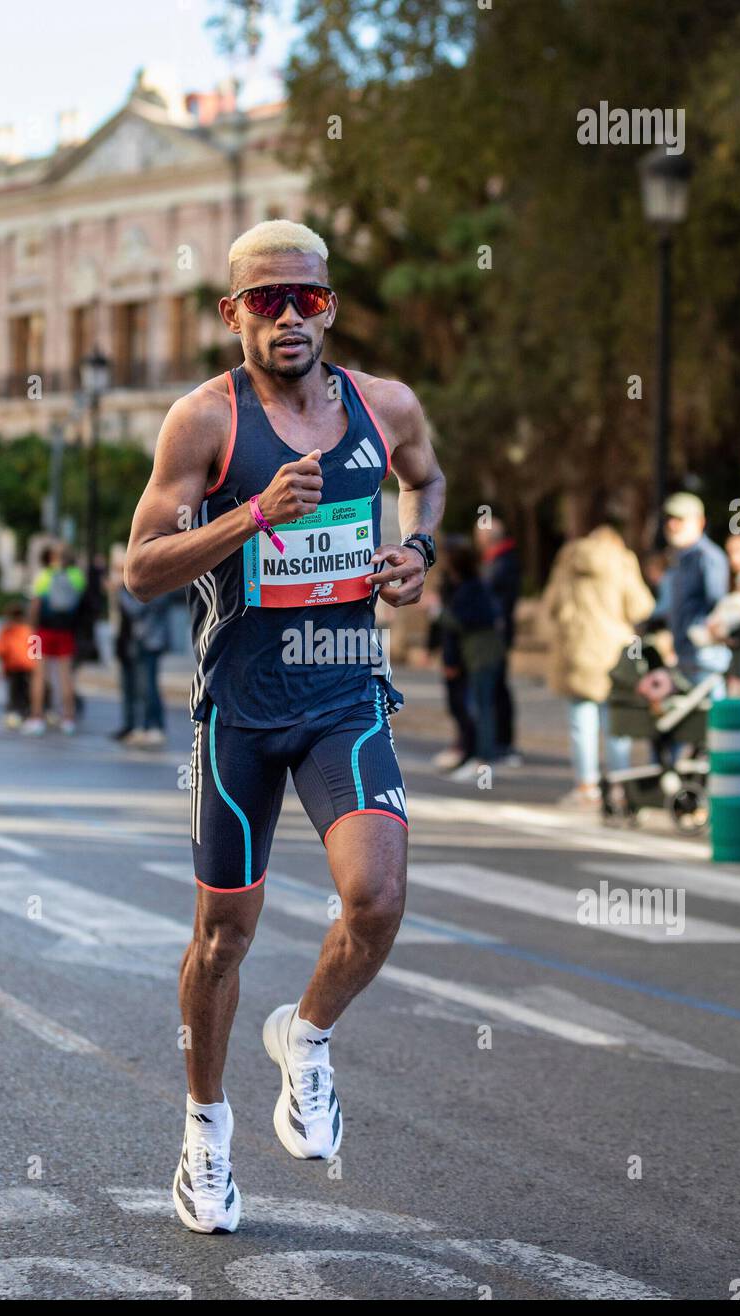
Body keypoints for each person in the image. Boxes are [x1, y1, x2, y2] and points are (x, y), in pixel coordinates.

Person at [125, 219, 445, 1235]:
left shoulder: (382, 405)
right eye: (266, 300)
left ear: (330, 306)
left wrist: (418, 548)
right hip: (240, 714)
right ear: (233, 314)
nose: (289, 316)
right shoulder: (203, 423)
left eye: (305, 297)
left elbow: (426, 479)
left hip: (345, 693)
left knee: (379, 895)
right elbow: (139, 567)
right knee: (222, 937)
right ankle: (204, 1132)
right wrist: (249, 515)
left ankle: (304, 1037)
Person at [541, 524, 655, 806]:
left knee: (582, 722)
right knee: (616, 723)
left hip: (576, 651)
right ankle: (619, 785)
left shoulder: (567, 561)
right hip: (614, 652)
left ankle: (586, 786)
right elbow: (640, 606)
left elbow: (551, 605)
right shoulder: (622, 562)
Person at [438, 538, 504, 778]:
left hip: (481, 656)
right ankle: (474, 753)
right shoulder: (461, 585)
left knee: (481, 706)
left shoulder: (473, 587)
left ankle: (484, 759)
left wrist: (440, 614)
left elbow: (471, 619)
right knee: (473, 705)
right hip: (473, 655)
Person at [652, 493, 730, 684]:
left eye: (680, 519)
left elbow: (717, 605)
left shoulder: (707, 557)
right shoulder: (678, 559)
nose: (672, 525)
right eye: (669, 519)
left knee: (709, 713)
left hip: (705, 657)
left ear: (700, 522)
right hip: (684, 656)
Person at [23, 543, 86, 736]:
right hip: (66, 631)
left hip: (43, 631)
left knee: (39, 675)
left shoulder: (45, 576)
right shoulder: (77, 577)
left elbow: (35, 604)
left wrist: (31, 628)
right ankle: (68, 718)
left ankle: (37, 717)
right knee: (66, 676)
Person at [476, 515, 522, 764]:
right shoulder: (497, 561)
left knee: (494, 689)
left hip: (494, 637)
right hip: (496, 635)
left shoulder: (501, 563)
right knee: (495, 688)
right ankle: (499, 742)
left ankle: (500, 744)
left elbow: (495, 600)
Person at [114, 584, 172, 747]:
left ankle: (154, 726)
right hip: (143, 640)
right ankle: (145, 726)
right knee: (143, 686)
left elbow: (136, 609)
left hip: (150, 640)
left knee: (148, 686)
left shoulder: (158, 586)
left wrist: (121, 593)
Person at [0, 601, 36, 727]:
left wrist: (3, 665)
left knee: (14, 691)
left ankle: (13, 712)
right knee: (27, 689)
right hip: (29, 665)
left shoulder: (6, 630)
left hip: (14, 665)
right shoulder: (30, 629)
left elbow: (0, 650)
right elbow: (36, 648)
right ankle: (27, 711)